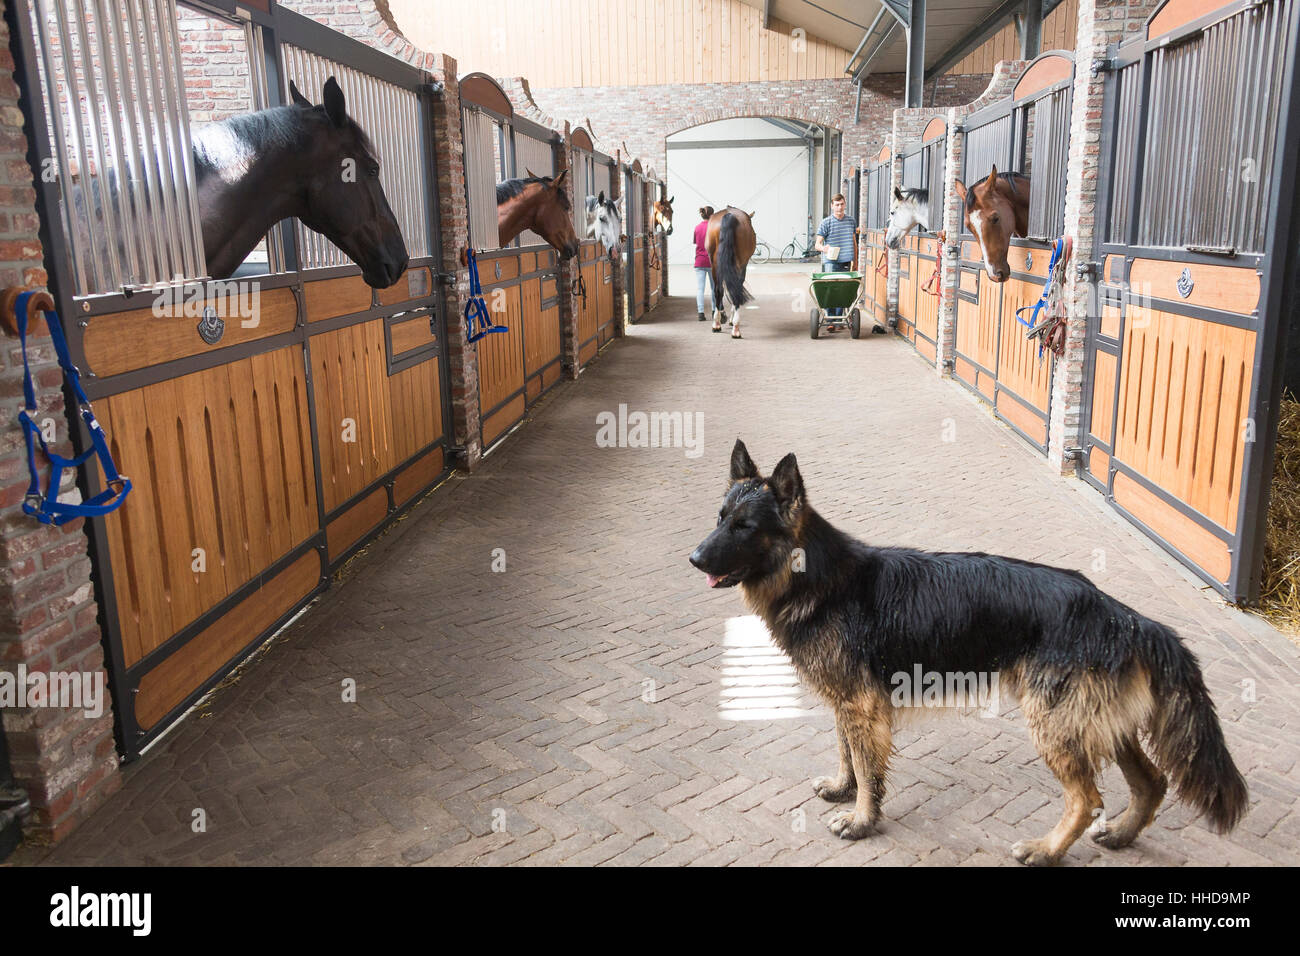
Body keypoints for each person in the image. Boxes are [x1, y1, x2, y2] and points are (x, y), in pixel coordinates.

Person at [814, 194, 857, 317]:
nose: (839, 207)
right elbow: (817, 244)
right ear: (832, 206)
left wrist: (856, 262)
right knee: (830, 290)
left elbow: (854, 243)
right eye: (837, 205)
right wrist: (824, 248)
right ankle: (831, 318)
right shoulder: (826, 223)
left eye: (842, 204)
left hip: (846, 261)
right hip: (830, 262)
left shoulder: (851, 221)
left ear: (845, 205)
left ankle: (839, 318)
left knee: (843, 291)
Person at [693, 206, 715, 322]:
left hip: (699, 262)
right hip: (712, 263)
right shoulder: (714, 228)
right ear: (711, 215)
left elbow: (696, 242)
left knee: (700, 289)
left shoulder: (697, 228)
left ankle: (700, 313)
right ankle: (714, 311)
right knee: (714, 288)